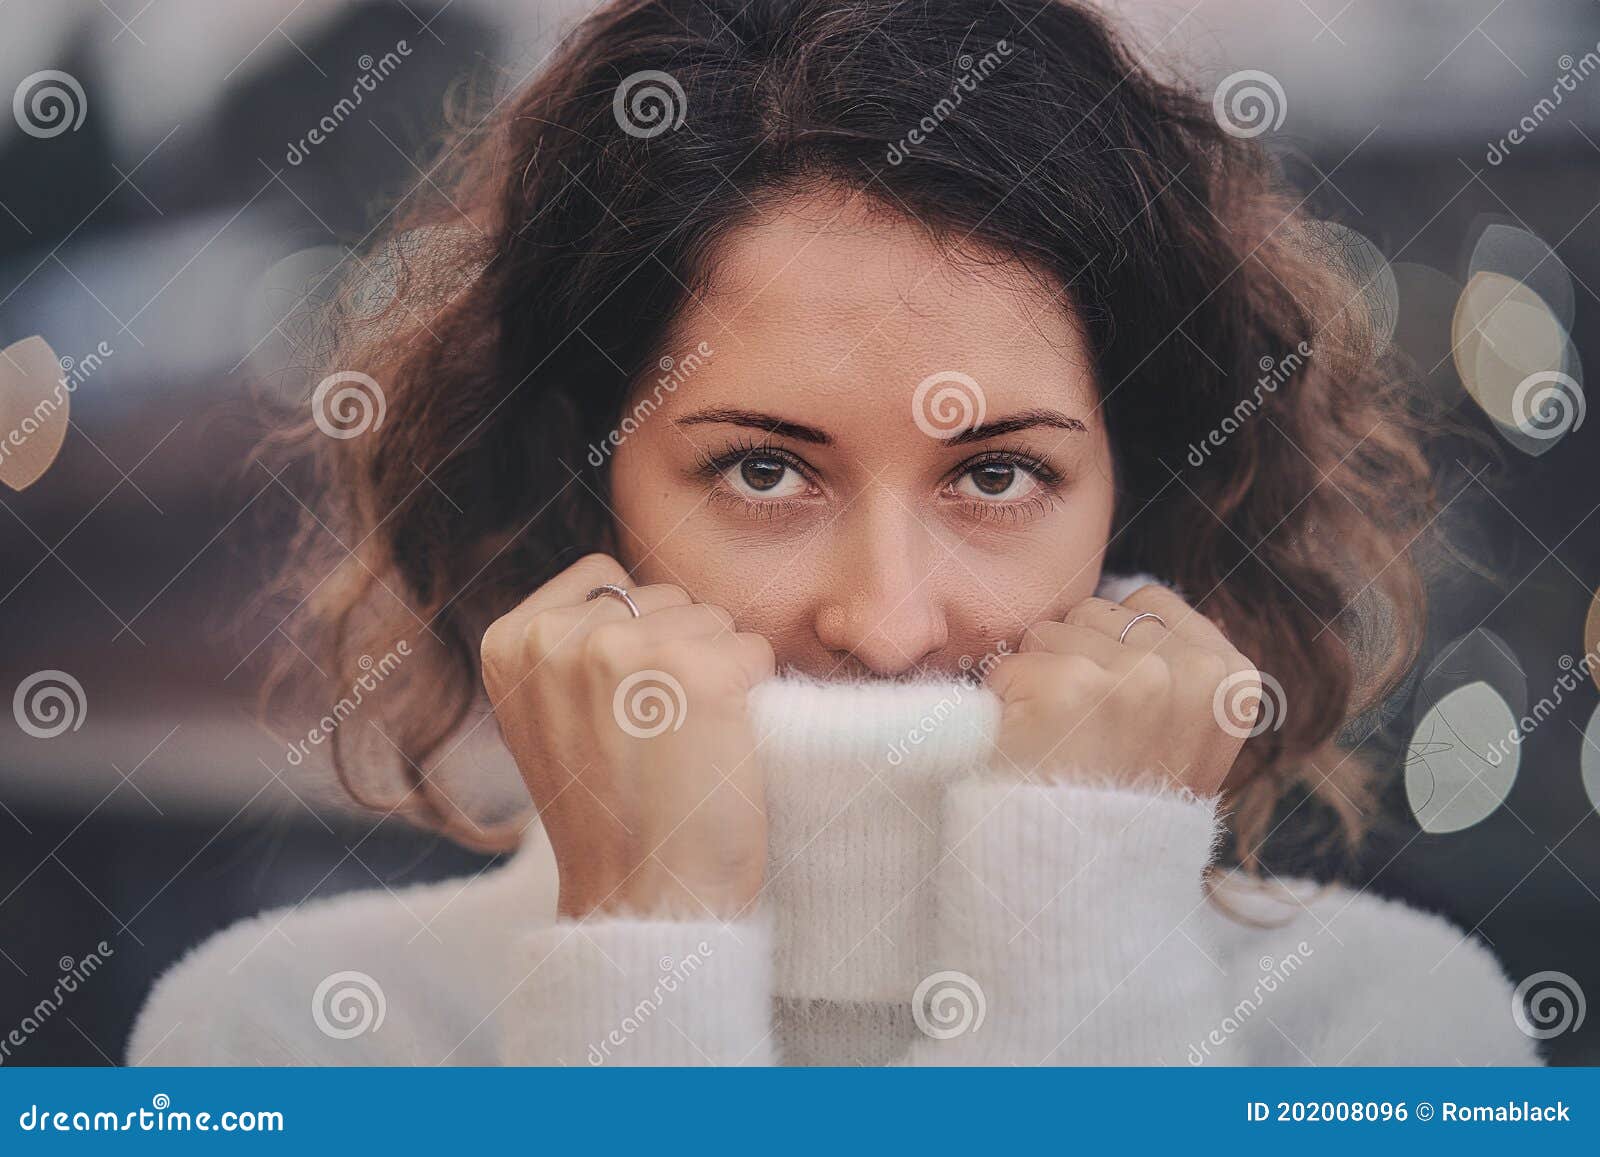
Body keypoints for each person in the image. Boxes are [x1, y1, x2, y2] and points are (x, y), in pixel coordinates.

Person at [129, 0, 1538, 1066]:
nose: (889, 619)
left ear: (1141, 497)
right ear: (587, 491)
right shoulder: (289, 1038)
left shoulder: (1384, 1028)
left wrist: (1083, 945)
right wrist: (649, 945)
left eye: (995, 477)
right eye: (760, 470)